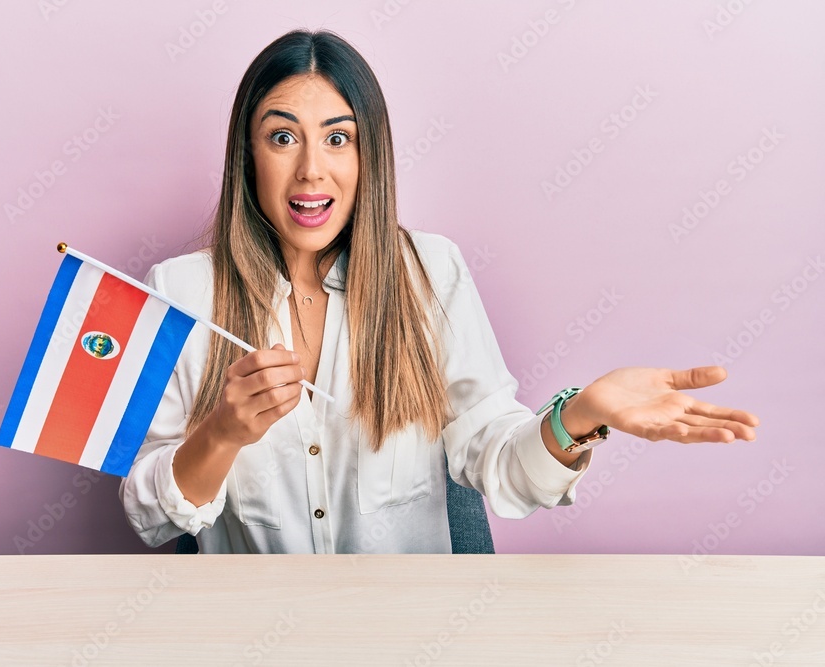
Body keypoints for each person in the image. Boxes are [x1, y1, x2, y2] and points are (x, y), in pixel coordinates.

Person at [118, 29, 759, 554]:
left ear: (370, 156)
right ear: (247, 154)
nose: (311, 168)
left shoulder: (432, 272)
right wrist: (222, 433)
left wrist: (582, 412)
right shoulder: (180, 292)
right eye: (283, 137)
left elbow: (501, 465)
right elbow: (149, 515)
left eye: (338, 138)